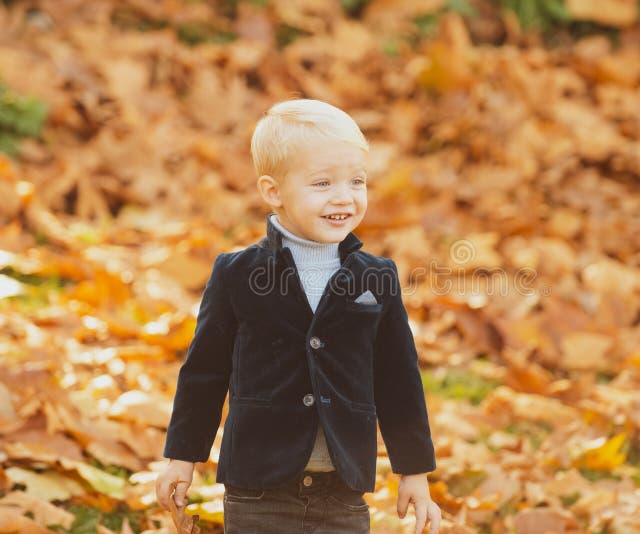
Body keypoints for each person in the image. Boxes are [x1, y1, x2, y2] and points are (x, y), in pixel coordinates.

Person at [155, 98, 441, 533]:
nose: (344, 197)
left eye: (356, 181)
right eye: (323, 183)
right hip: (257, 488)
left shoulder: (376, 278)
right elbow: (204, 373)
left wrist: (415, 473)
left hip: (341, 491)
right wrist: (182, 458)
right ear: (273, 192)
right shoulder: (237, 274)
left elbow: (398, 379)